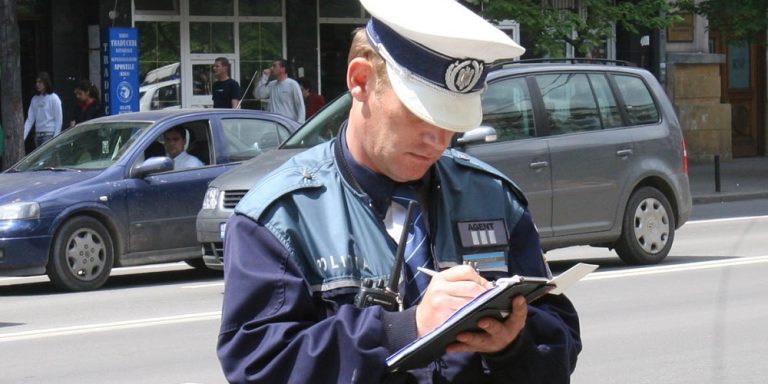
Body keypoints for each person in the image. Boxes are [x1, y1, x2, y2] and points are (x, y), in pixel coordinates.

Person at [218, 0, 581, 382]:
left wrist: (513, 343)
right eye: (420, 114)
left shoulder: (493, 197)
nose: (437, 141)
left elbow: (559, 346)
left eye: (451, 123)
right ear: (360, 81)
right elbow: (259, 365)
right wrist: (402, 330)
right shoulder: (280, 217)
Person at [253, 58, 305, 123]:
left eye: (274, 66)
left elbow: (300, 106)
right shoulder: (272, 85)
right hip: (274, 125)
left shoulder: (292, 84)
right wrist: (265, 77)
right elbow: (258, 95)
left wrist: (299, 124)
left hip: (288, 125)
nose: (271, 68)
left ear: (283, 69)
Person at [23, 72, 63, 147]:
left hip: (49, 134)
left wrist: (56, 138)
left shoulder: (54, 98)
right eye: (36, 82)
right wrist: (23, 136)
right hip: (37, 134)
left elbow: (58, 119)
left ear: (46, 83)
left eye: (40, 82)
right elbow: (30, 119)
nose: (37, 84)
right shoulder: (34, 99)